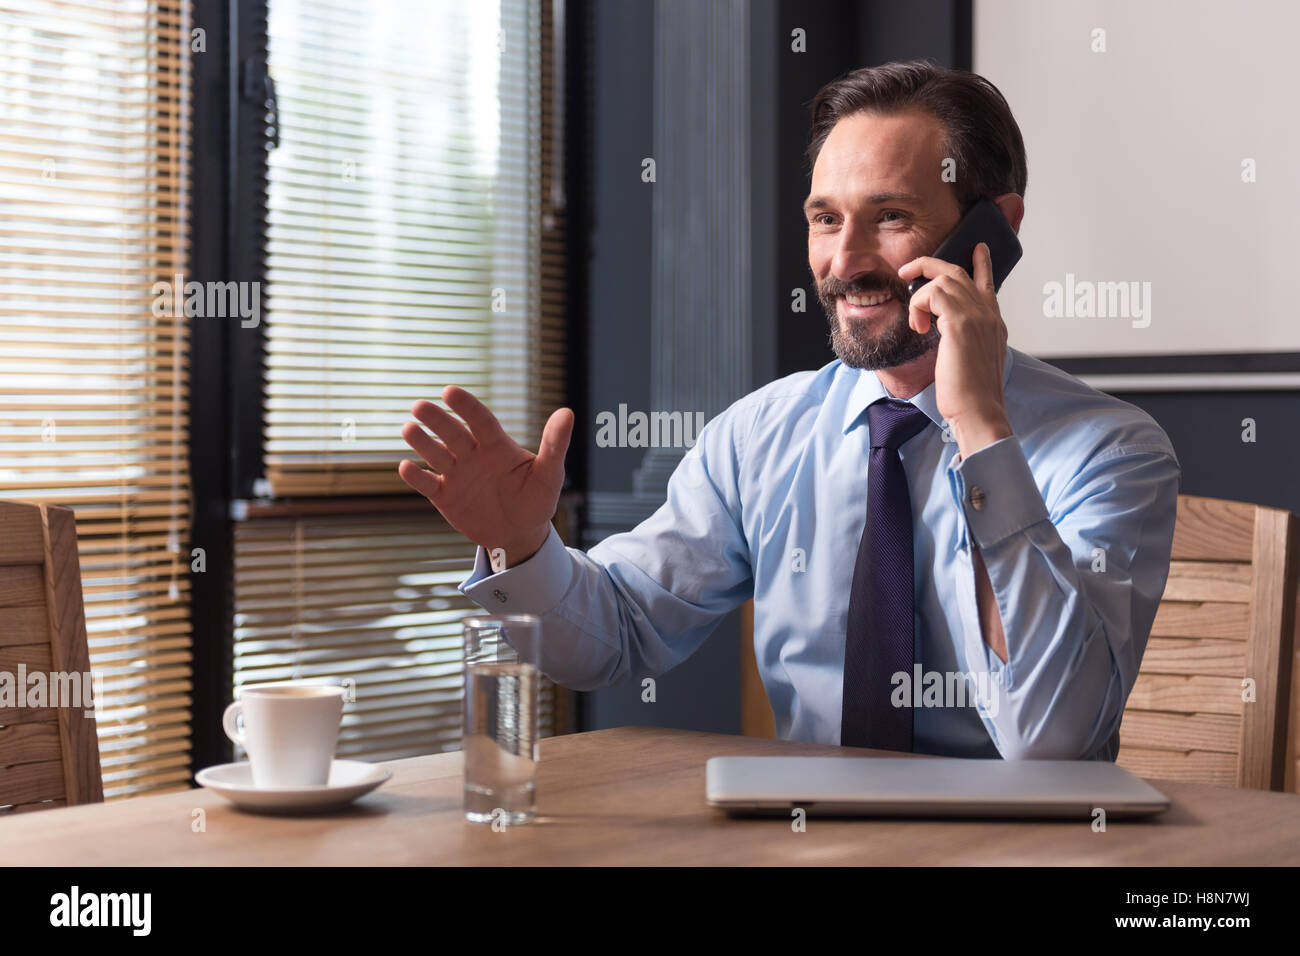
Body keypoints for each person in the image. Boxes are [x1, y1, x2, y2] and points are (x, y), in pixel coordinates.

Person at [398, 60, 1180, 760]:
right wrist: (523, 546)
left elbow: (1054, 739)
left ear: (994, 231)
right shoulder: (761, 436)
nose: (844, 262)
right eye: (826, 218)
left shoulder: (1109, 452)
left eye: (891, 217)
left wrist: (979, 429)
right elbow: (618, 637)